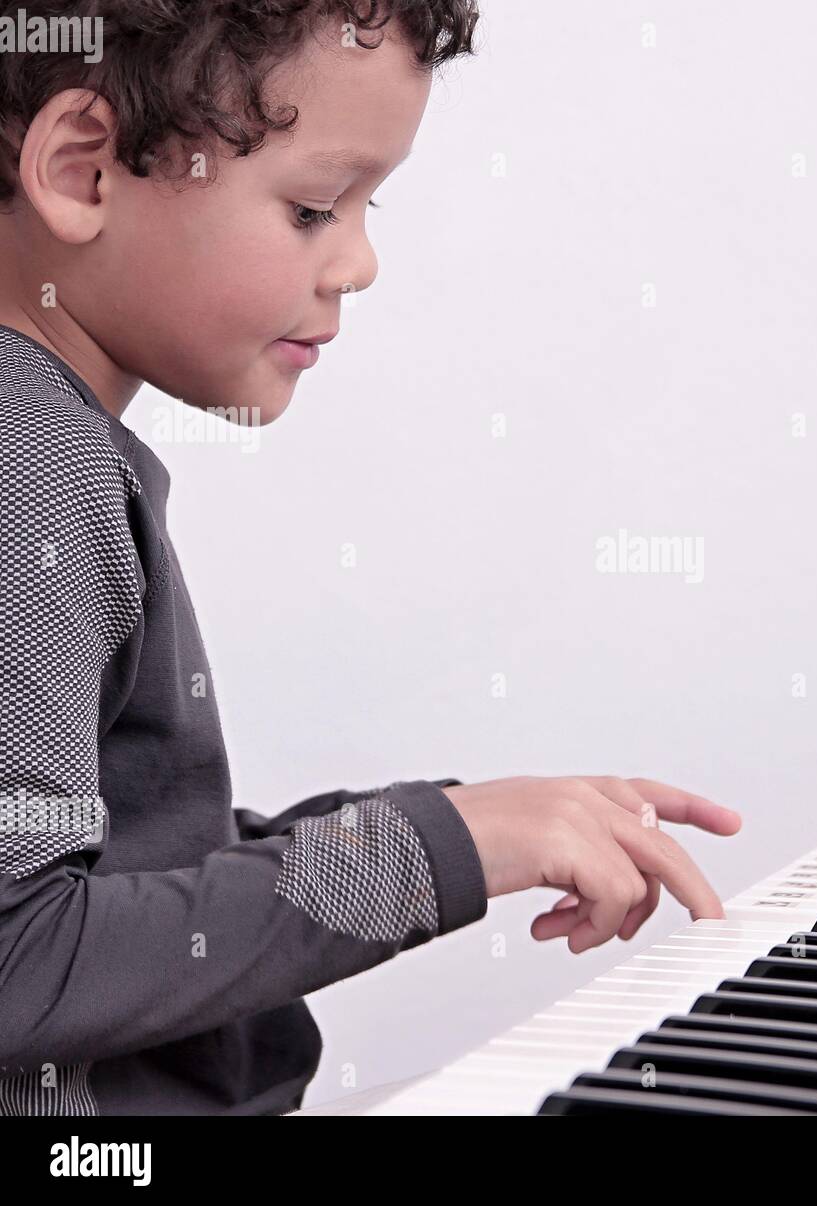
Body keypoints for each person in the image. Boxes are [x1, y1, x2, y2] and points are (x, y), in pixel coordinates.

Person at [0, 0, 742, 1116]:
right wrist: (439, 847)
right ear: (84, 171)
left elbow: (127, 876)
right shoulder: (31, 466)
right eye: (311, 207)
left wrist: (470, 827)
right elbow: (21, 959)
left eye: (365, 205)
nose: (359, 262)